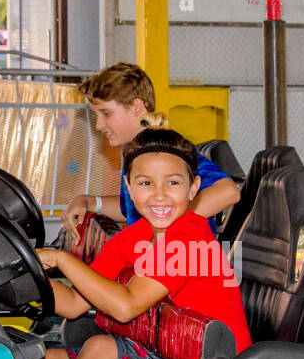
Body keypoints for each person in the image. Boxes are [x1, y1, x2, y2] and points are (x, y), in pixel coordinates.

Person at [38, 127, 252, 359]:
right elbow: (73, 302)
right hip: (165, 354)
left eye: (173, 183)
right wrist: (26, 278)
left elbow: (126, 306)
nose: (159, 195)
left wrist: (60, 259)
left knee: (100, 350)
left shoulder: (189, 236)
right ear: (129, 188)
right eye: (145, 183)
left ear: (194, 188)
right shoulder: (131, 238)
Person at [63, 62, 240, 234]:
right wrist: (90, 202)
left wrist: (163, 225)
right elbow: (129, 209)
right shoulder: (134, 154)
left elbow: (228, 192)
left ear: (137, 107)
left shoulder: (167, 152)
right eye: (96, 115)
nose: (99, 125)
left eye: (106, 113)